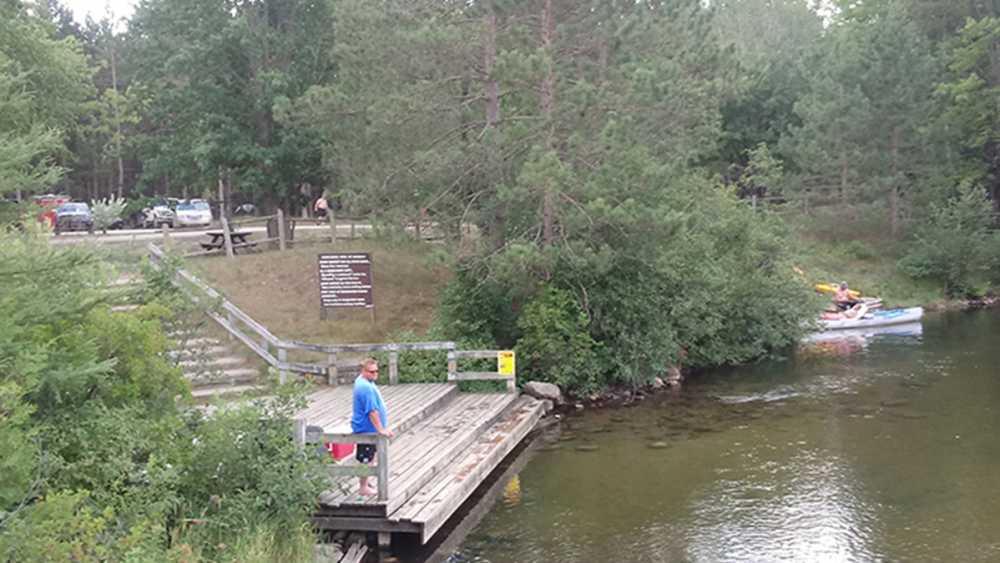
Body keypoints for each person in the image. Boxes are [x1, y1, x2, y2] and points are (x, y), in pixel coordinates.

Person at [351, 357, 393, 496]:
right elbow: (372, 411)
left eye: (376, 371)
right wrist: (381, 429)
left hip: (369, 427)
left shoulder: (365, 381)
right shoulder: (365, 387)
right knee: (365, 459)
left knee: (370, 456)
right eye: (371, 372)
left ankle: (366, 482)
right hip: (366, 429)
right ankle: (363, 487)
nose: (375, 374)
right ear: (363, 371)